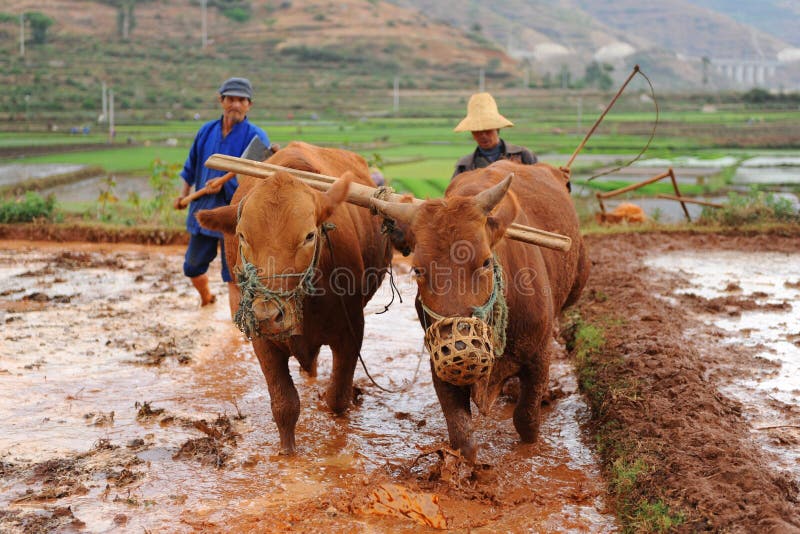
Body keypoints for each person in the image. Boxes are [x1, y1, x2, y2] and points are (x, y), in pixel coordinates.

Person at [174, 77, 270, 308]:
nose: (235, 104)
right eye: (231, 99)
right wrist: (183, 195)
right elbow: (190, 167)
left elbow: (261, 178)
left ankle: (236, 328)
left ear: (249, 105)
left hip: (236, 216)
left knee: (235, 277)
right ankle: (206, 297)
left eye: (241, 100)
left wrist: (228, 182)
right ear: (221, 101)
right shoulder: (206, 131)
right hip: (204, 212)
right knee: (192, 267)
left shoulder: (257, 137)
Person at [452, 92, 537, 179]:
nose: (483, 136)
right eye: (477, 131)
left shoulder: (523, 156)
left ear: (497, 128)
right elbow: (455, 191)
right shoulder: (465, 166)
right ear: (472, 133)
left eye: (488, 130)